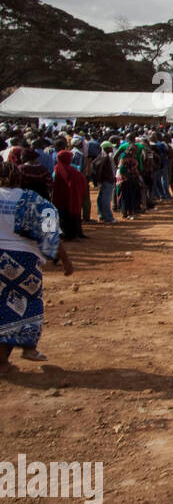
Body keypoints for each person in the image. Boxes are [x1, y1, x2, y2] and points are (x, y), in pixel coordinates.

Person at [0, 159, 72, 372]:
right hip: (23, 261)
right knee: (25, 305)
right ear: (18, 177)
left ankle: (5, 360)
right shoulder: (31, 200)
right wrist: (63, 259)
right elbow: (50, 229)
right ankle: (25, 348)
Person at [50, 149, 88, 241]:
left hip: (59, 197)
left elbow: (53, 182)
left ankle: (63, 234)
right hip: (72, 196)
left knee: (61, 215)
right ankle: (74, 234)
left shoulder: (56, 170)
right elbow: (83, 182)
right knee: (72, 214)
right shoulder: (74, 170)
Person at [88, 141, 116, 223]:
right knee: (106, 200)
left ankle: (101, 215)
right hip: (107, 180)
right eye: (111, 147)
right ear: (106, 148)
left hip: (104, 181)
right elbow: (100, 170)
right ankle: (108, 217)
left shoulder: (101, 156)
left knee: (101, 199)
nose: (112, 148)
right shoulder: (105, 158)